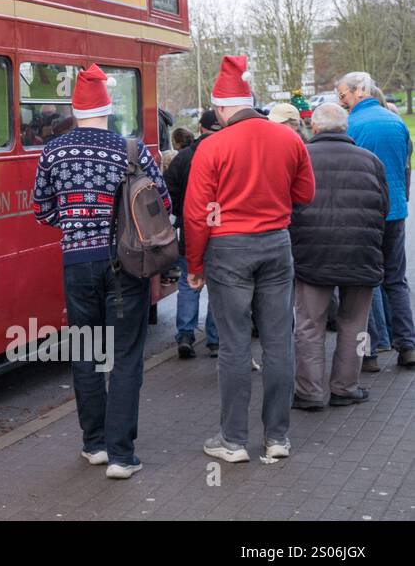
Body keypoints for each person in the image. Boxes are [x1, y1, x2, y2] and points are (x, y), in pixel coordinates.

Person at [32, 63, 170, 480]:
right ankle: (121, 456)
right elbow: (159, 200)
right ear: (107, 109)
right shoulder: (130, 149)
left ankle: (93, 444)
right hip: (125, 263)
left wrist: (74, 224)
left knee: (87, 354)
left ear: (74, 111)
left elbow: (40, 208)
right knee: (125, 357)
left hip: (77, 263)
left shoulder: (52, 151)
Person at [185, 56, 315, 463]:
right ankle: (277, 437)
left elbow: (195, 212)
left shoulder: (212, 146)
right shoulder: (288, 138)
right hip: (276, 243)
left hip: (228, 249)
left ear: (221, 108)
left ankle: (234, 441)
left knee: (235, 346)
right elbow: (306, 193)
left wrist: (194, 266)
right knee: (279, 342)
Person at [288, 103, 386, 409]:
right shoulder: (370, 160)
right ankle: (345, 386)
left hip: (312, 253)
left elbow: (288, 205)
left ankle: (309, 391)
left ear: (314, 128)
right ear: (346, 128)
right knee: (355, 323)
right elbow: (384, 205)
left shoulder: (301, 158)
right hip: (361, 251)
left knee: (308, 324)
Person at [337, 71, 415, 370]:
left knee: (364, 283)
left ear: (359, 91)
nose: (342, 101)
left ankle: (368, 351)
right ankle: (407, 345)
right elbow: (404, 165)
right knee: (396, 280)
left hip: (363, 215)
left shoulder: (351, 126)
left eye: (343, 95)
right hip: (394, 211)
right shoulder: (396, 122)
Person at [165, 109, 222, 359]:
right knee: (219, 287)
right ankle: (215, 340)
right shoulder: (227, 152)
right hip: (223, 229)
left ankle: (185, 334)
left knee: (189, 283)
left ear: (200, 128)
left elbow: (167, 193)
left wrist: (182, 212)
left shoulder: (183, 157)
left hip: (189, 228)